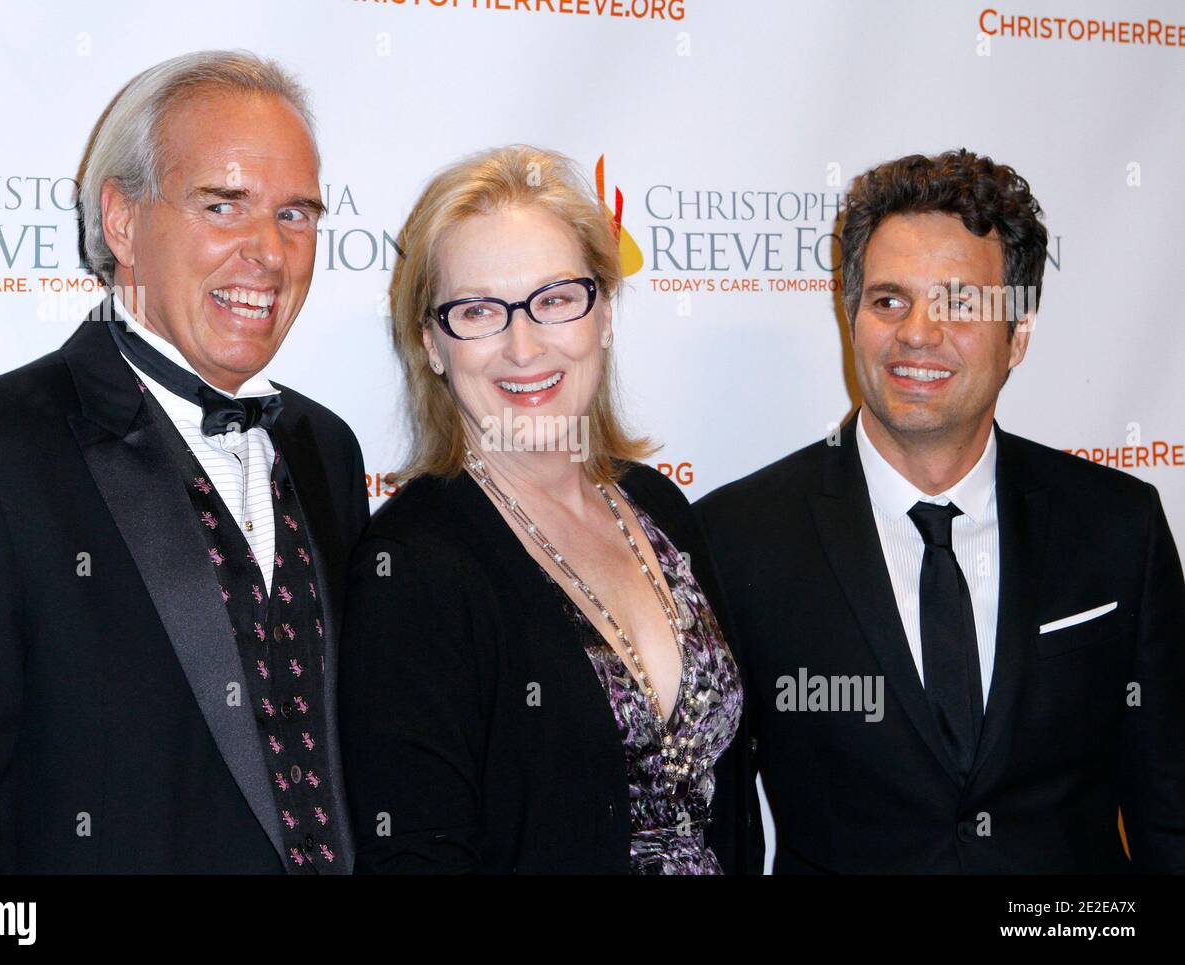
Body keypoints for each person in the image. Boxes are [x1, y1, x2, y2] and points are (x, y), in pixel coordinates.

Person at [0, 51, 367, 873]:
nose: (269, 253)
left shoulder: (326, 448)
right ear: (121, 220)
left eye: (296, 215)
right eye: (224, 205)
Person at [698, 149, 1185, 873]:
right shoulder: (737, 540)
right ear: (852, 317)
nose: (917, 332)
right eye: (889, 300)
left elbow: (1170, 814)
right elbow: (721, 829)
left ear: (1017, 335)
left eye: (959, 303)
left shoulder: (1119, 525)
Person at [338, 145, 756, 874]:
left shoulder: (657, 506)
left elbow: (729, 804)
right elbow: (417, 855)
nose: (524, 345)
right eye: (478, 311)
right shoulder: (411, 566)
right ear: (432, 344)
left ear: (603, 313)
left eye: (556, 299)